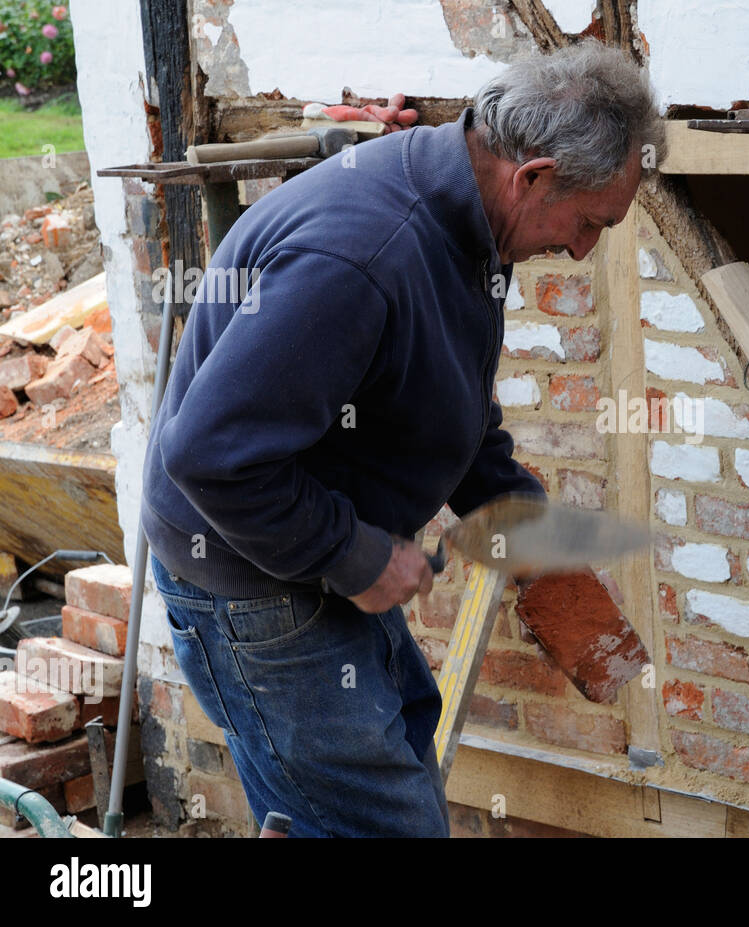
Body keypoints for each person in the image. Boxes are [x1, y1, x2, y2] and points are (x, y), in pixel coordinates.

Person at [140, 40, 664, 837]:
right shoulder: (361, 258)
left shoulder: (473, 217)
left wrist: (518, 514)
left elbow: (441, 395)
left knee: (391, 756)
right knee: (386, 823)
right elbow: (210, 455)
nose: (586, 247)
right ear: (534, 176)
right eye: (590, 222)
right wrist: (356, 554)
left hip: (308, 548)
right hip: (248, 574)